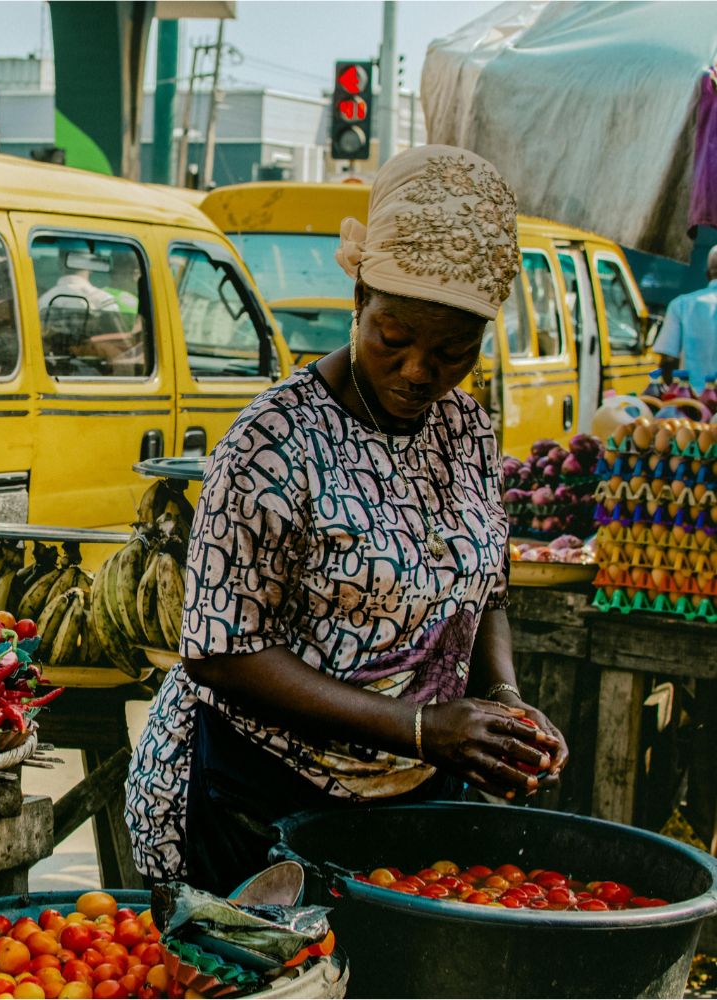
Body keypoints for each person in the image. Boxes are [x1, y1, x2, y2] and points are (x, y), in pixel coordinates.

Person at [125, 145, 568, 894]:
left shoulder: (465, 426)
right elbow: (220, 652)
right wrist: (423, 728)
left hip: (414, 800)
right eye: (393, 338)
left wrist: (503, 703)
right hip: (259, 802)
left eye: (452, 351)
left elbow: (482, 586)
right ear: (357, 296)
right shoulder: (272, 442)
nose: (420, 372)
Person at [655, 245, 717, 385]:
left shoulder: (681, 305)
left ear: (707, 274)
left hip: (691, 400)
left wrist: (678, 393)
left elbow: (668, 360)